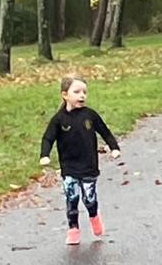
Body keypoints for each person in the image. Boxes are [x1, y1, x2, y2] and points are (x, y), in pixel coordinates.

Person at [40, 75, 121, 245]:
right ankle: (73, 228)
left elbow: (104, 132)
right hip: (69, 167)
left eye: (84, 92)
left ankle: (93, 215)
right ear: (65, 95)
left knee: (89, 198)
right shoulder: (59, 119)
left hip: (89, 165)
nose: (82, 95)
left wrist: (114, 147)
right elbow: (48, 138)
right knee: (72, 198)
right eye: (76, 92)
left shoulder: (90, 115)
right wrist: (45, 155)